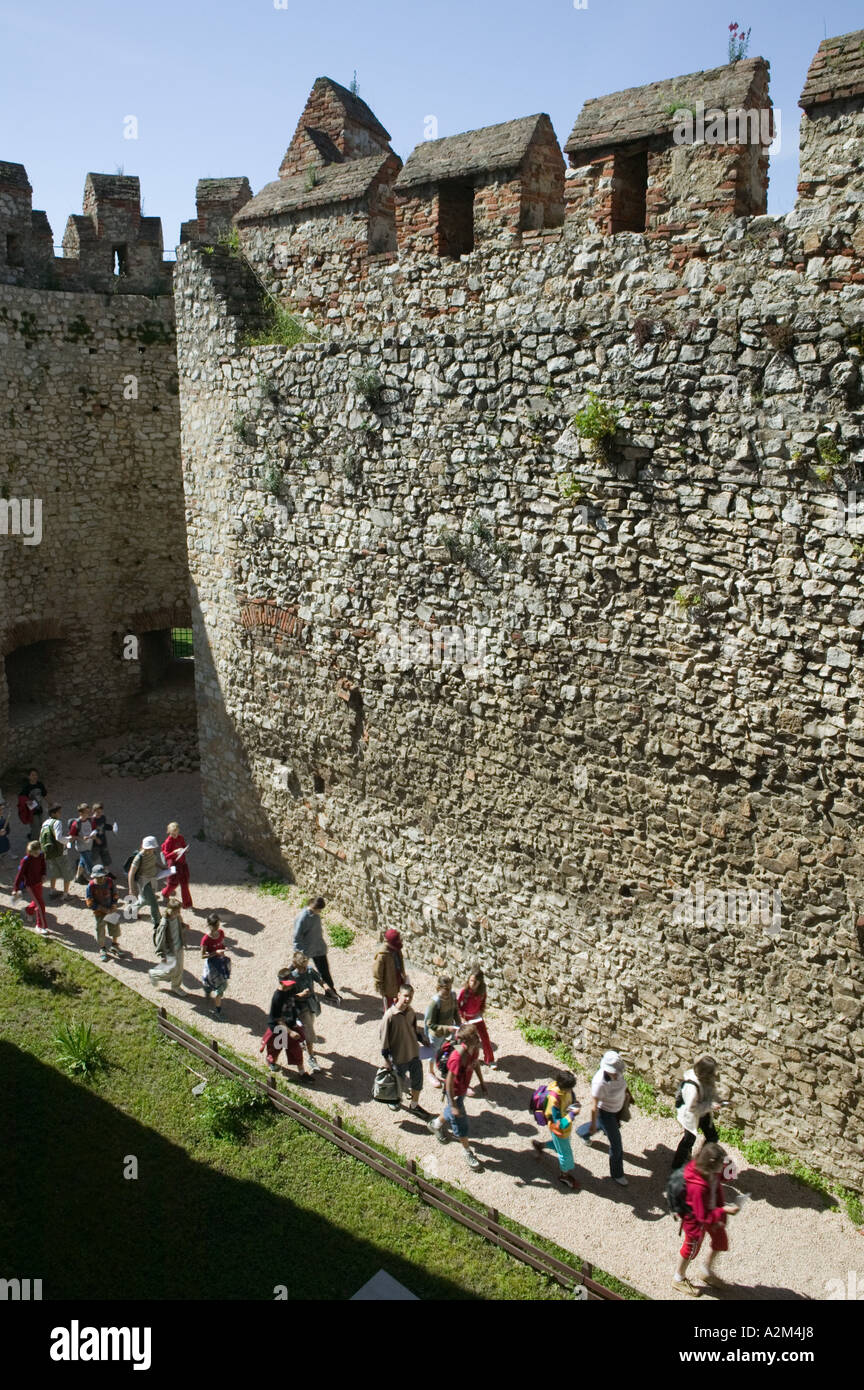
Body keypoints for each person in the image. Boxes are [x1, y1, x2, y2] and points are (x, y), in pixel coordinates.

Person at [673, 1142, 739, 1297]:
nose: (722, 1167)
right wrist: (724, 1210)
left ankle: (705, 1271)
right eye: (721, 1165)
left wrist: (731, 1170)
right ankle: (678, 1278)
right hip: (696, 1221)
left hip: (712, 1211)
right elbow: (703, 1216)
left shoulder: (709, 1170)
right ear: (711, 1164)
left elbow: (721, 1177)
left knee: (720, 1241)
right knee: (691, 1249)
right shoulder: (698, 1187)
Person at [427, 1024, 487, 1171]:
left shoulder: (474, 1050)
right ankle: (467, 1152)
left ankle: (435, 1125)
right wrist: (453, 1103)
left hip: (461, 1090)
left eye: (476, 1035)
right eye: (474, 1036)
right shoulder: (457, 1057)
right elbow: (448, 1081)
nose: (477, 1038)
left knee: (452, 1111)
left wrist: (482, 1082)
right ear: (466, 1040)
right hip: (453, 1092)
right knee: (461, 1124)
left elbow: (476, 1064)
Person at [578, 1049, 630, 1186]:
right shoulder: (599, 1082)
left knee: (600, 1126)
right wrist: (594, 1122)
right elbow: (594, 1105)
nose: (617, 1073)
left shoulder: (617, 1073)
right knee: (616, 1144)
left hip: (616, 1109)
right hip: (606, 1113)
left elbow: (622, 1085)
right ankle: (617, 1174)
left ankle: (583, 1132)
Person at [380, 985, 432, 1118]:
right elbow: (384, 1039)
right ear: (398, 995)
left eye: (410, 996)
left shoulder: (411, 1013)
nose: (408, 999)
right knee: (398, 1082)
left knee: (418, 1082)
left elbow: (413, 1031)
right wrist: (386, 1060)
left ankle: (414, 1105)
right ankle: (394, 1099)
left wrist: (422, 1039)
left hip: (414, 1054)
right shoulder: (389, 1016)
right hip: (398, 1057)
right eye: (405, 995)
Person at [531, 1070, 582, 1191]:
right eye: (570, 1089)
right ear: (564, 1088)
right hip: (559, 1131)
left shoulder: (564, 1090)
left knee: (559, 1145)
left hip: (564, 1131)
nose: (571, 1091)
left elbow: (570, 1101)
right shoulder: (554, 1100)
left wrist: (574, 1105)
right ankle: (564, 1176)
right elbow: (559, 1124)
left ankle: (540, 1145)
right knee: (566, 1155)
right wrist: (572, 1114)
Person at [672, 1056, 723, 1171]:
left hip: (703, 1114)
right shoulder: (692, 1087)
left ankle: (701, 1161)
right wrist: (710, 1106)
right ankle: (677, 1165)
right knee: (688, 1141)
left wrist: (716, 1100)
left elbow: (710, 1091)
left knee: (712, 1137)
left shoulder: (705, 1079)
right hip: (692, 1117)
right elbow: (692, 1108)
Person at [261, 970, 307, 1078]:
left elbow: (292, 998)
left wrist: (301, 994)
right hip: (279, 1029)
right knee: (276, 1049)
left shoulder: (290, 989)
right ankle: (271, 1061)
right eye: (288, 984)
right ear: (281, 983)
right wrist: (290, 1032)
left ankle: (302, 1073)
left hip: (291, 1025)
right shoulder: (277, 997)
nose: (290, 986)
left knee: (296, 1050)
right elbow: (278, 1019)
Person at [293, 896, 340, 1000]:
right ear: (314, 907)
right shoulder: (303, 918)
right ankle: (288, 988)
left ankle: (330, 992)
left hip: (318, 948)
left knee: (324, 971)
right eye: (319, 910)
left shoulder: (315, 915)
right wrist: (300, 954)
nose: (320, 912)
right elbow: (297, 938)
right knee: (297, 972)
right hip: (306, 951)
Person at [288, 950, 325, 1074]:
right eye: (302, 967)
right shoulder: (292, 977)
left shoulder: (309, 971)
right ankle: (311, 1058)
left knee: (309, 1026)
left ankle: (304, 1040)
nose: (304, 969)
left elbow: (320, 980)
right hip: (301, 1008)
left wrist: (328, 989)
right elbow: (289, 997)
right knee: (310, 1032)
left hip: (312, 1005)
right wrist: (301, 994)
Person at [424, 976, 461, 1088]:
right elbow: (430, 1024)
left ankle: (445, 1069)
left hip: (449, 1032)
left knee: (447, 1050)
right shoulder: (435, 1003)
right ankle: (430, 1072)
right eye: (446, 989)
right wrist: (447, 1028)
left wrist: (459, 1024)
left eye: (450, 988)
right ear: (439, 987)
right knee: (433, 1052)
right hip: (437, 1034)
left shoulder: (453, 996)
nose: (449, 991)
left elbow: (455, 1011)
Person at [457, 966, 495, 1069]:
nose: (472, 984)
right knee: (464, 1039)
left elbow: (482, 1003)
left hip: (477, 1018)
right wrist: (462, 1017)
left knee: (485, 1038)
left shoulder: (482, 992)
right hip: (466, 1019)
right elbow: (457, 1005)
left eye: (475, 982)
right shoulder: (464, 992)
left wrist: (480, 1012)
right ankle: (462, 1059)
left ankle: (489, 1060)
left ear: (480, 983)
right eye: (471, 981)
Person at [86, 864, 124, 962]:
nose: (100, 879)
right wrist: (101, 909)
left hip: (111, 909)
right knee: (100, 929)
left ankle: (115, 945)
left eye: (102, 876)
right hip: (99, 912)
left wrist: (114, 905)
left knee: (115, 927)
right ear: (94, 876)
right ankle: (102, 948)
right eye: (98, 877)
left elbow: (115, 894)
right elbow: (89, 902)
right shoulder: (91, 886)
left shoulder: (110, 882)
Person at [148, 897, 186, 992]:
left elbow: (179, 926)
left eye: (178, 911)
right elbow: (160, 940)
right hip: (170, 950)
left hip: (179, 947)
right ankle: (154, 974)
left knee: (179, 969)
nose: (178, 913)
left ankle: (176, 986)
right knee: (171, 971)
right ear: (169, 910)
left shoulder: (177, 917)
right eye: (176, 911)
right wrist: (162, 954)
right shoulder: (164, 923)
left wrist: (184, 926)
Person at [12, 841, 49, 934]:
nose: (35, 855)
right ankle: (40, 926)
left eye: (36, 852)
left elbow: (43, 865)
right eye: (33, 853)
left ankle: (28, 910)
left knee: (37, 901)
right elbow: (19, 875)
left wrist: (43, 874)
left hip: (39, 882)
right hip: (30, 885)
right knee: (40, 905)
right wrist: (15, 889)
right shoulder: (26, 860)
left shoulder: (41, 855)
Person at [128, 835, 163, 930]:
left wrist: (163, 868)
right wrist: (131, 888)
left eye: (153, 848)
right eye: (150, 848)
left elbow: (153, 862)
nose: (152, 850)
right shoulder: (139, 857)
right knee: (153, 901)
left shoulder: (153, 853)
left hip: (152, 879)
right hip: (144, 881)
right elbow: (131, 872)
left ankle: (132, 909)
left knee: (144, 900)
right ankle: (157, 922)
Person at [201, 913, 231, 1018]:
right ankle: (217, 1010)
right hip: (211, 965)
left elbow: (222, 943)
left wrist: (224, 947)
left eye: (218, 925)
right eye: (214, 926)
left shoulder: (221, 932)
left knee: (221, 987)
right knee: (211, 983)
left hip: (221, 963)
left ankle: (216, 1006)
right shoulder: (206, 939)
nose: (217, 928)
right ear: (209, 925)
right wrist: (215, 952)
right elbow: (203, 955)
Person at [40, 804, 72, 901]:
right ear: (53, 813)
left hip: (49, 852)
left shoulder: (45, 823)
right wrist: (68, 840)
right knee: (66, 873)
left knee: (53, 872)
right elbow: (58, 837)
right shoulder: (57, 822)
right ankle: (65, 895)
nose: (60, 814)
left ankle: (52, 890)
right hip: (60, 852)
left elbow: (41, 838)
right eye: (58, 812)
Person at [373, 928, 408, 1012]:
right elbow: (377, 973)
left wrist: (404, 975)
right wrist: (380, 987)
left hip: (398, 977)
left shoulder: (397, 949)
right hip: (388, 983)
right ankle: (389, 1018)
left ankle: (399, 1011)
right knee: (388, 1003)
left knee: (400, 996)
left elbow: (400, 962)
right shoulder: (382, 955)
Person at [160, 822, 193, 908]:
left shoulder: (180, 838)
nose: (175, 835)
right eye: (173, 833)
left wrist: (186, 849)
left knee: (184, 884)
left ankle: (187, 904)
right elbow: (166, 855)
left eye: (177, 833)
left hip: (182, 863)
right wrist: (174, 852)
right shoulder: (168, 841)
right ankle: (165, 893)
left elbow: (184, 846)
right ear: (169, 832)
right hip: (174, 865)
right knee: (173, 884)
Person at [68, 803, 96, 884]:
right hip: (81, 847)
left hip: (89, 845)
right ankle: (95, 881)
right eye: (86, 812)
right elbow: (72, 836)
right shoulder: (76, 823)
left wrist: (94, 835)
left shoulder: (91, 821)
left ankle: (77, 877)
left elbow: (94, 830)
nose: (88, 814)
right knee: (89, 863)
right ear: (81, 813)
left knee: (82, 862)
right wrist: (80, 838)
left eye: (89, 812)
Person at [17, 770, 47, 845]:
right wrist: (27, 802)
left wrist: (51, 803)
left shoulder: (40, 784)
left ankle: (37, 837)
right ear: (29, 776)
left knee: (41, 824)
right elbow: (21, 798)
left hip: (40, 808)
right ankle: (35, 843)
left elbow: (45, 794)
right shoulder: (26, 787)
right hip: (31, 811)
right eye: (33, 775)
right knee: (35, 826)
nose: (35, 776)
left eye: (36, 775)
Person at [90, 804, 114, 868]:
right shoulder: (91, 820)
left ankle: (106, 872)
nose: (99, 814)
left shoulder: (103, 817)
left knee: (106, 858)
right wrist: (96, 839)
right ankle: (81, 864)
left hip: (103, 842)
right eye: (98, 812)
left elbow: (104, 826)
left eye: (101, 812)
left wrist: (112, 827)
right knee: (92, 858)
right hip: (94, 844)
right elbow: (90, 833)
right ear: (93, 811)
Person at [0, 800, 10, 887]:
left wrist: (5, 831)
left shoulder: (2, 819)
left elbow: (8, 830)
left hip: (2, 844)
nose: (1, 812)